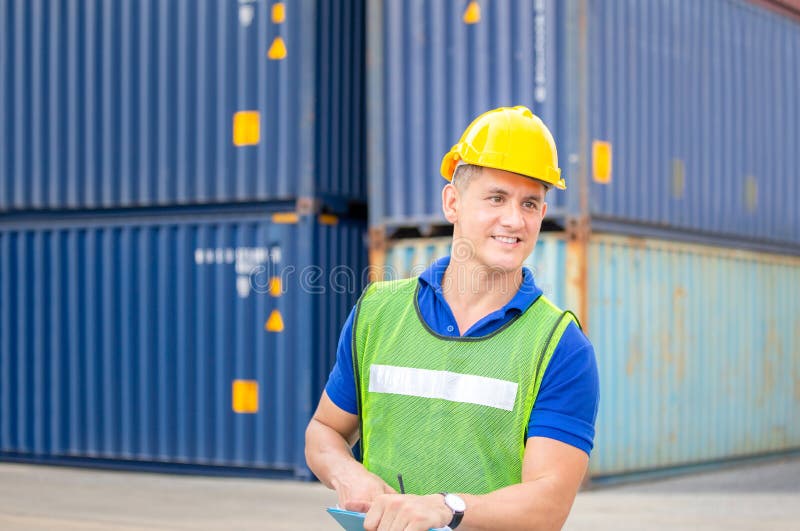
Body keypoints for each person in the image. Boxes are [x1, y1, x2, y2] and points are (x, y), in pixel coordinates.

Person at [305, 106, 599, 531]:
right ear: (452, 202)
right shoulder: (378, 312)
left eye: (530, 203)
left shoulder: (560, 347)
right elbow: (324, 431)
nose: (514, 220)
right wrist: (347, 473)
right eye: (496, 198)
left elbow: (548, 504)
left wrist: (448, 508)